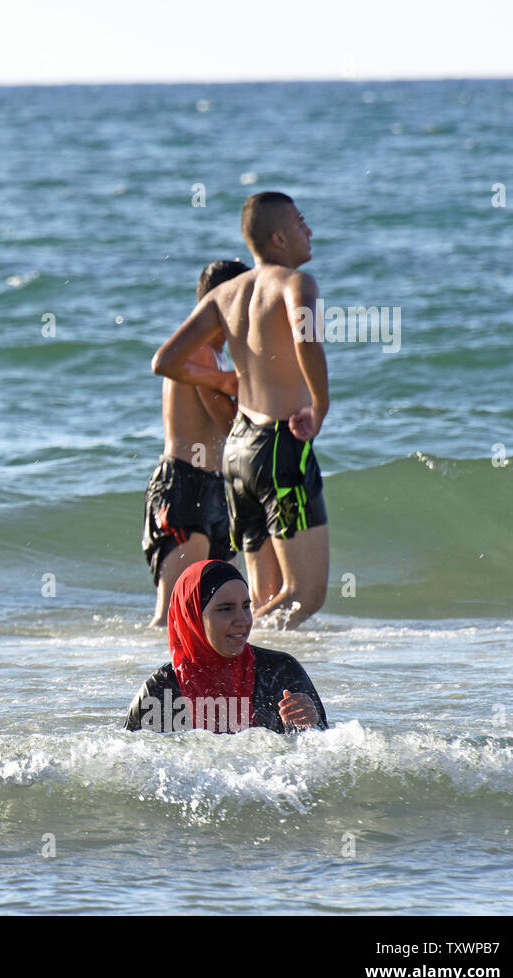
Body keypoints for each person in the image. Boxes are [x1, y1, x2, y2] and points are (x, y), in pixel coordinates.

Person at [152, 192, 329, 628]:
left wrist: (224, 380)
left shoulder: (225, 294)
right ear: (279, 237)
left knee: (266, 595)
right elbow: (306, 336)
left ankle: (251, 685)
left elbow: (166, 361)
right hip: (279, 449)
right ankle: (225, 644)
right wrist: (320, 405)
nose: (310, 231)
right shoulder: (295, 284)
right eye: (302, 222)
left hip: (238, 455)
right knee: (303, 597)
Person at [142, 259, 250, 627]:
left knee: (218, 614)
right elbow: (228, 422)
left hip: (215, 488)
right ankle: (159, 686)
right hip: (185, 485)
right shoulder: (202, 350)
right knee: (175, 615)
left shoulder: (217, 353)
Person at [124, 559, 327, 734]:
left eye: (246, 606)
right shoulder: (161, 692)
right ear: (193, 617)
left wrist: (312, 724)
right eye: (226, 609)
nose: (243, 619)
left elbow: (323, 756)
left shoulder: (280, 672)